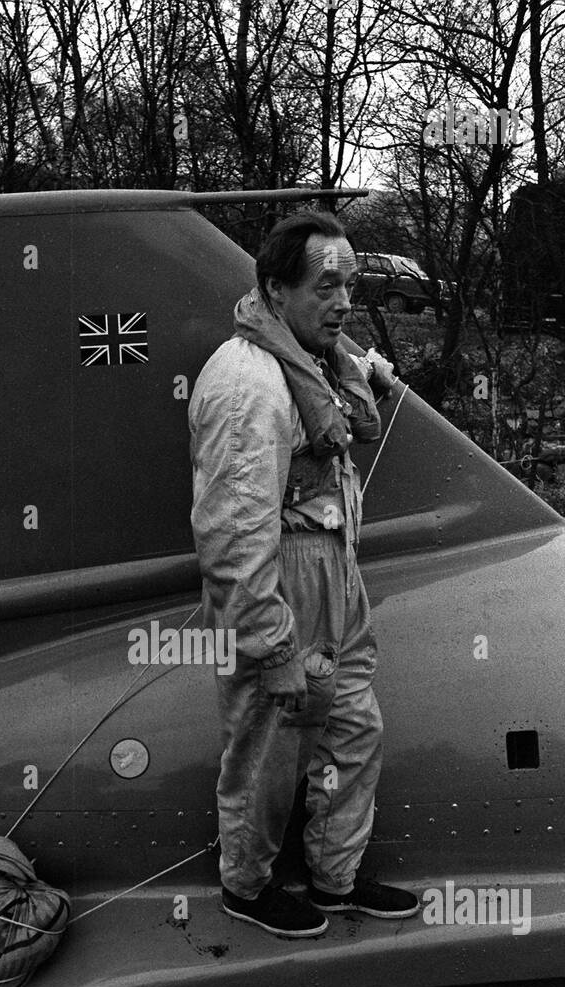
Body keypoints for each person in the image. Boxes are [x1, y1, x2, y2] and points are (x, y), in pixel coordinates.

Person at [189, 209, 420, 938]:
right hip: (283, 578)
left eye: (350, 285)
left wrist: (366, 377)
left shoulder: (315, 363)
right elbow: (232, 533)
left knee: (354, 729)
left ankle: (335, 878)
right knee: (268, 742)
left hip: (334, 572)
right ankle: (246, 888)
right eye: (326, 286)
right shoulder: (248, 382)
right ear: (275, 290)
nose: (344, 301)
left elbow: (346, 428)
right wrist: (271, 646)